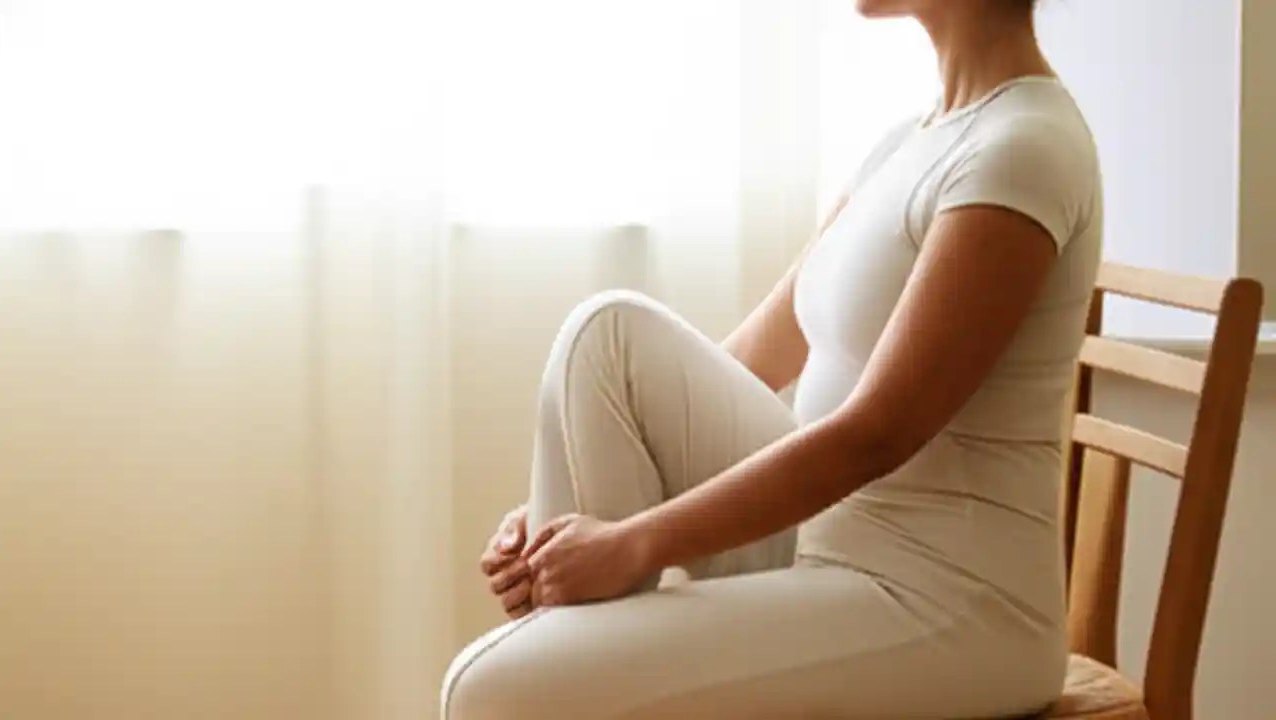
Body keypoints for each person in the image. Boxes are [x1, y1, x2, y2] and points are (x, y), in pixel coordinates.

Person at [444, 0, 1102, 716]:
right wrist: (555, 524)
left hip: (952, 604)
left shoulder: (1025, 149)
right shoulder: (909, 142)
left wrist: (632, 545)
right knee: (607, 337)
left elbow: (873, 436)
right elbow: (747, 360)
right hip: (829, 543)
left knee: (492, 692)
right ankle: (575, 632)